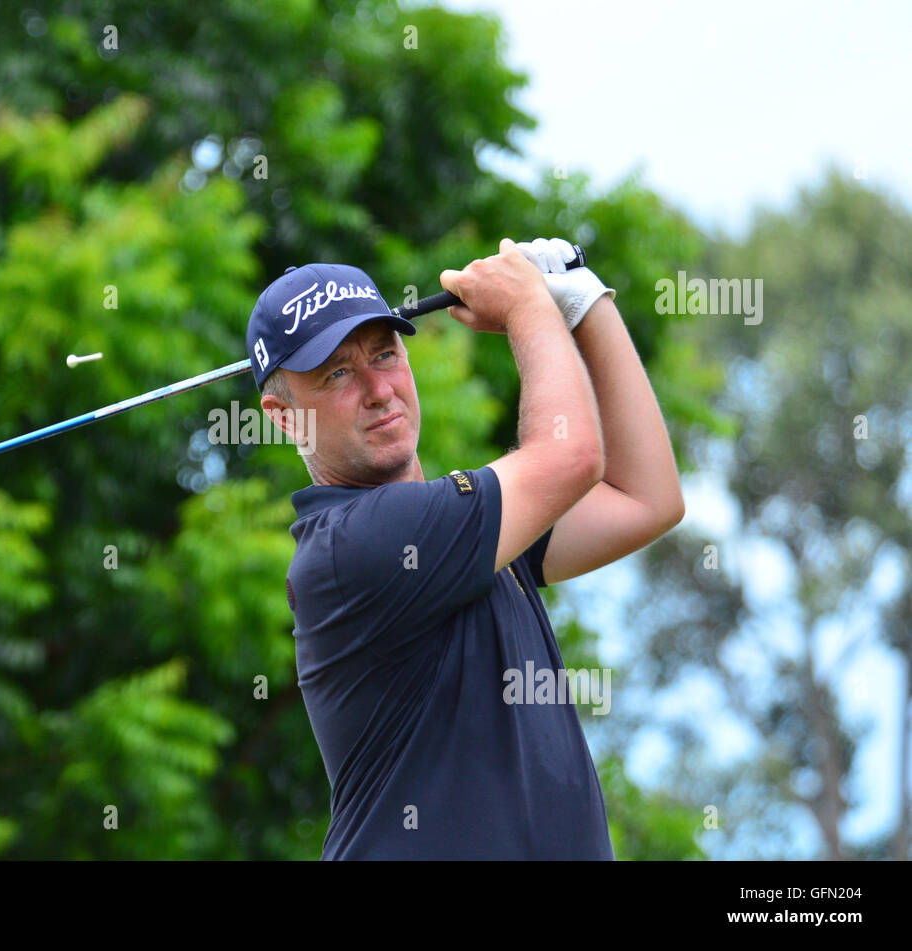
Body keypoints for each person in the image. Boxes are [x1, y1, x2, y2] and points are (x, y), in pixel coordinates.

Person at [246, 237, 684, 859]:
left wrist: (586, 302)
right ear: (285, 417)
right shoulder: (356, 545)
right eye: (337, 373)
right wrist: (530, 307)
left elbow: (648, 498)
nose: (379, 388)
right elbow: (572, 456)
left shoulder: (467, 534)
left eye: (385, 353)